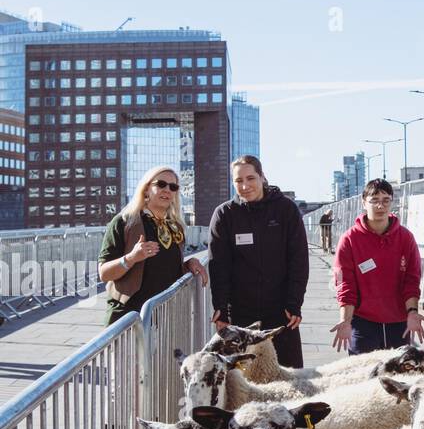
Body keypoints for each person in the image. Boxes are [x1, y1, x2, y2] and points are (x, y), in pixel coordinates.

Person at [208, 155, 309, 366]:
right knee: (245, 378)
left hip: (282, 311)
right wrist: (221, 308)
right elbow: (219, 265)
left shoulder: (286, 210)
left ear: (263, 177)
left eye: (250, 178)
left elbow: (298, 260)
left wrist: (294, 302)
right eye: (238, 181)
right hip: (241, 314)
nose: (245, 186)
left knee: (288, 376)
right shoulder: (225, 214)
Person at [98, 164, 207, 327]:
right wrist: (131, 258)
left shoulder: (175, 227)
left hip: (165, 319)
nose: (167, 190)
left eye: (173, 186)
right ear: (146, 189)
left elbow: (165, 270)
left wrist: (187, 264)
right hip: (129, 319)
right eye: (161, 184)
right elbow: (104, 273)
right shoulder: (124, 222)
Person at [331, 178, 424, 354]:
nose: (380, 206)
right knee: (364, 377)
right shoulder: (349, 240)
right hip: (362, 322)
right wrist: (345, 320)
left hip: (398, 323)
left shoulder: (405, 238)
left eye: (385, 200)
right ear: (364, 202)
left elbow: (412, 280)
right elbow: (345, 284)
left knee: (399, 379)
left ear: (392, 202)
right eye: (374, 201)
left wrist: (412, 312)